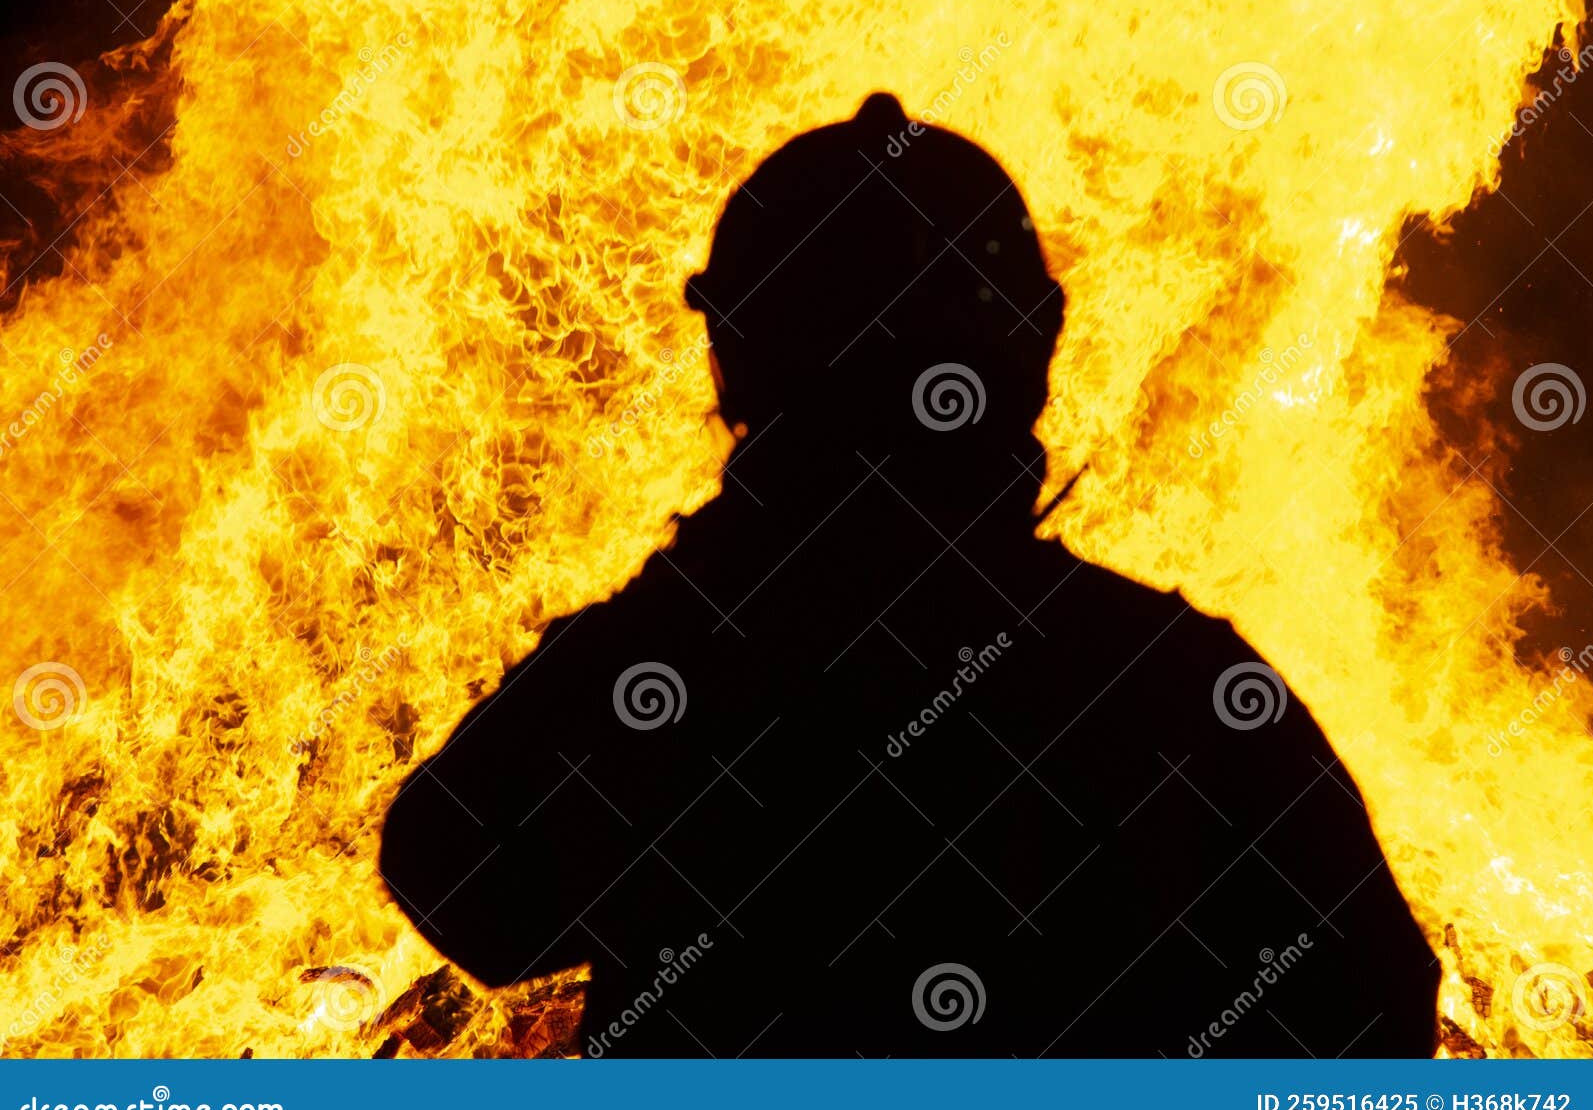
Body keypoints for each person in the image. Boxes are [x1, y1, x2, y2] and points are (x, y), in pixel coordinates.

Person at [380, 93, 1439, 1057]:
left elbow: (464, 880)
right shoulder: (1165, 680)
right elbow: (1375, 1008)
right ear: (1032, 345)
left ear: (738, 354)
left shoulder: (672, 672)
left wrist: (705, 579)